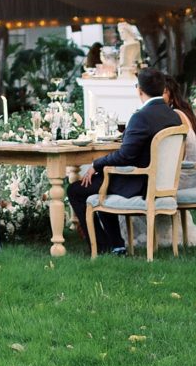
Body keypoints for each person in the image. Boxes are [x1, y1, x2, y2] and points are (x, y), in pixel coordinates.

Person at [66, 64, 181, 255]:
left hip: (138, 182)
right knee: (101, 180)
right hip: (160, 182)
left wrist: (96, 163)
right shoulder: (173, 117)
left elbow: (125, 155)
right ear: (163, 89)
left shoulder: (141, 117)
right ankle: (117, 244)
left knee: (76, 190)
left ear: (139, 90)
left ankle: (103, 247)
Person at [163, 76, 196, 251]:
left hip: (182, 178)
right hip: (193, 176)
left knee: (145, 184)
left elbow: (178, 153)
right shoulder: (185, 112)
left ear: (167, 92)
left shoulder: (175, 115)